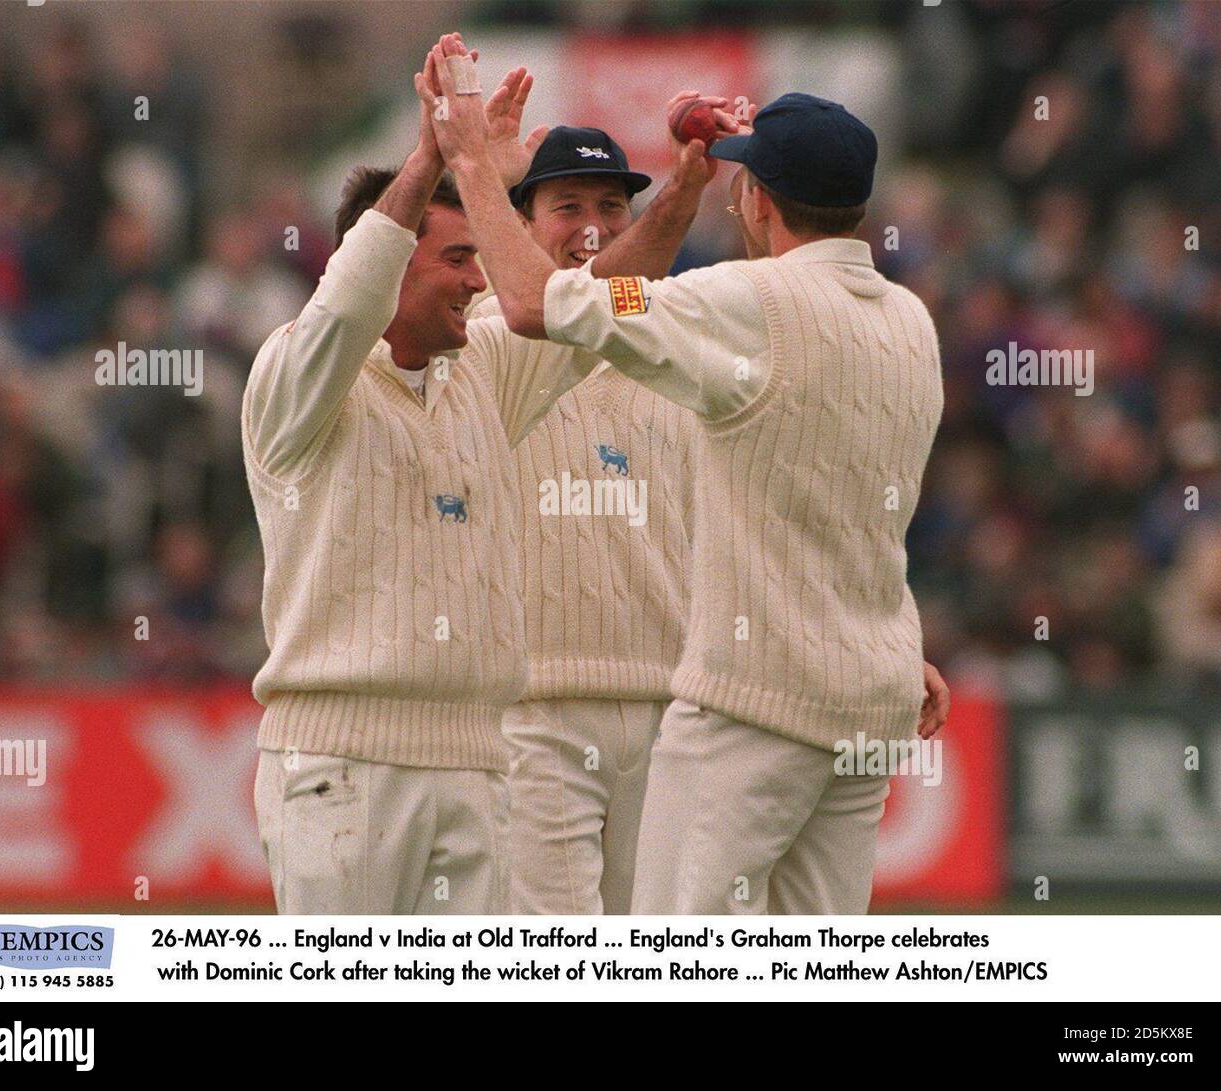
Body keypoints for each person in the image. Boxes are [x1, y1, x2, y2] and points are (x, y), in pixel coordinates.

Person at [428, 35, 951, 915]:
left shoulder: (737, 304)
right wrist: (893, 642)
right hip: (866, 704)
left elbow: (542, 306)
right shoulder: (911, 320)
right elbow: (842, 495)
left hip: (750, 708)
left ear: (753, 197)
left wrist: (473, 164)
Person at [246, 42, 723, 914]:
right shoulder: (297, 380)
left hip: (474, 763)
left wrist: (683, 193)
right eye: (457, 261)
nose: (481, 285)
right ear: (385, 262)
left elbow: (602, 296)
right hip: (343, 768)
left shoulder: (485, 372)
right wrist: (438, 156)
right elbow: (345, 306)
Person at [476, 118, 725, 913]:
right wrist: (476, 165)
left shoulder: (679, 342)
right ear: (520, 224)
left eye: (612, 205)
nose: (592, 226)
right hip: (537, 708)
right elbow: (531, 304)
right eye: (567, 205)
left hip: (666, 709)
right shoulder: (488, 334)